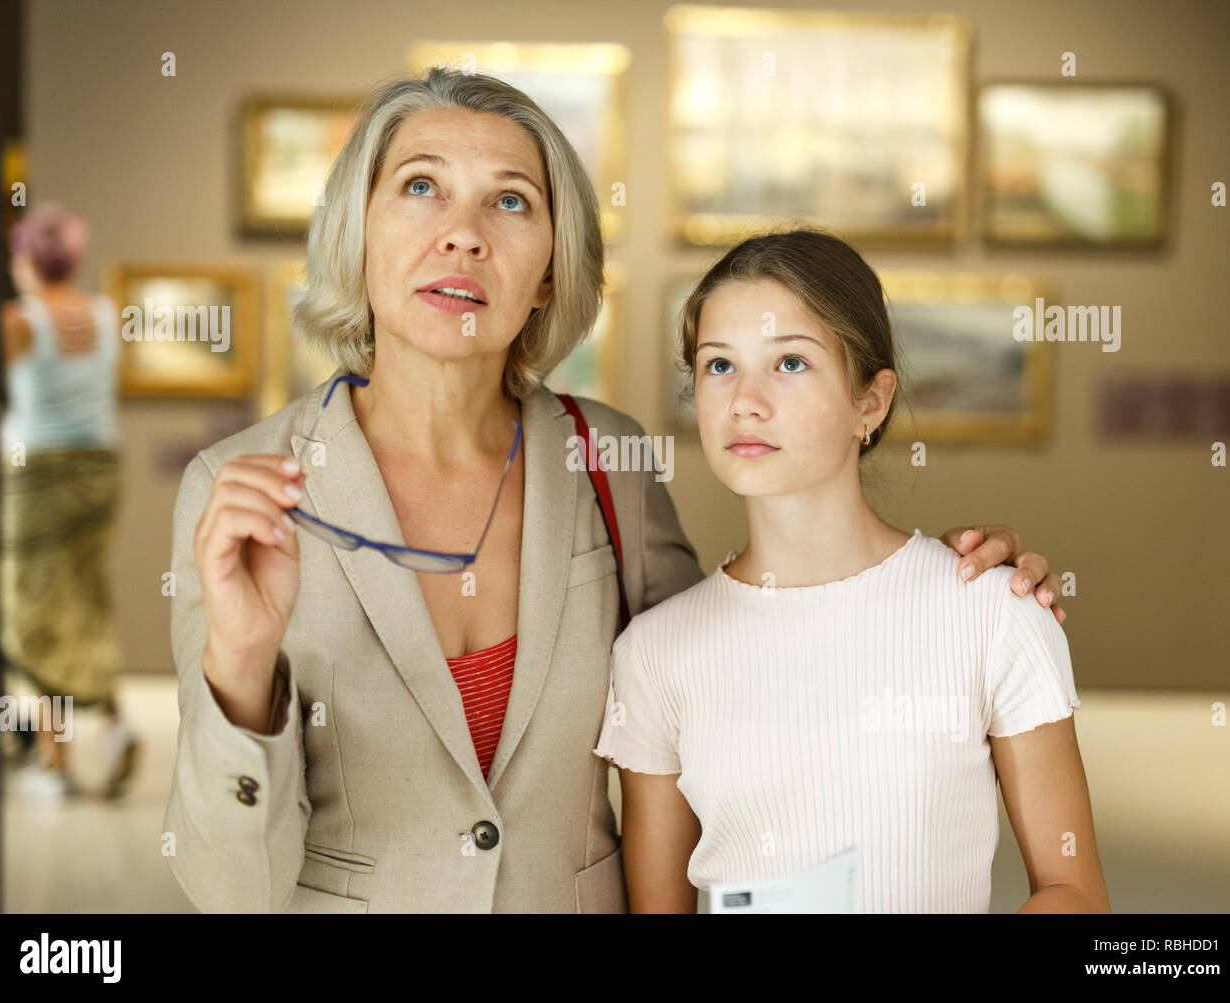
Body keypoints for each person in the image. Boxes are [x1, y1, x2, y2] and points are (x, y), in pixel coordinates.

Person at [163, 68, 1070, 913]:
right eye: (421, 185)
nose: (464, 232)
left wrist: (948, 598)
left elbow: (743, 677)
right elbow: (229, 888)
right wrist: (240, 674)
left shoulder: (610, 460)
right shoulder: (245, 492)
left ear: (550, 269)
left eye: (510, 201)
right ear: (356, 232)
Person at [594, 229, 1109, 913]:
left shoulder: (993, 609)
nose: (745, 398)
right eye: (720, 365)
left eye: (790, 363)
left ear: (871, 401)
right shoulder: (653, 655)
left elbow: (1072, 890)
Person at [0, 201, 139, 799]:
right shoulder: (106, 315)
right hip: (101, 471)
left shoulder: (20, 319)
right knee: (84, 599)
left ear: (28, 259)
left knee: (32, 611)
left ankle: (55, 764)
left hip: (37, 474)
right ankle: (112, 723)